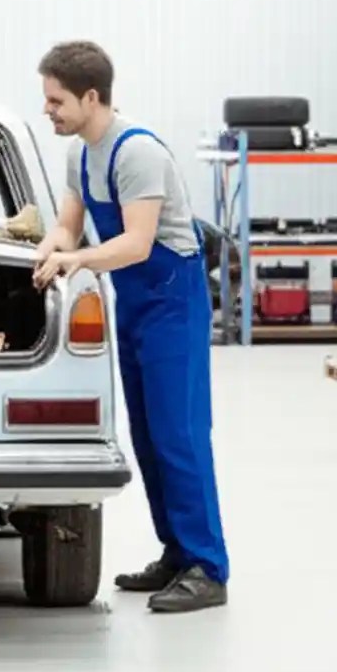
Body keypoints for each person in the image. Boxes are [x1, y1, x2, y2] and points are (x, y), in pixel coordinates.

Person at [32, 40, 230, 613]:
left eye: (56, 100)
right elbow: (68, 229)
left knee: (181, 435)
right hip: (137, 304)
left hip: (173, 301)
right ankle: (177, 554)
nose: (48, 110)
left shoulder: (138, 152)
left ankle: (208, 567)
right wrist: (46, 249)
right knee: (146, 437)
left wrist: (77, 260)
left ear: (91, 97)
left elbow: (137, 243)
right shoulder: (80, 154)